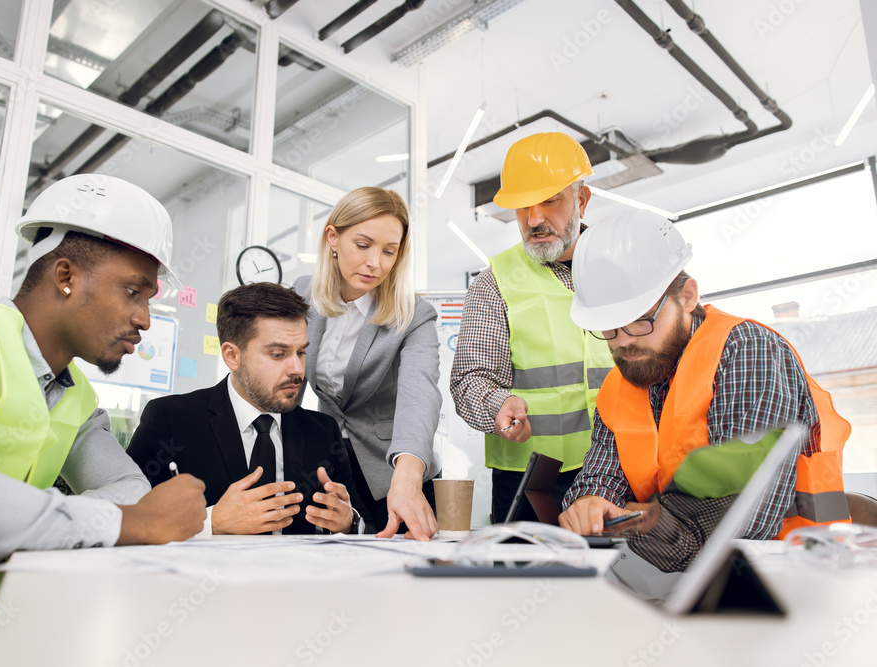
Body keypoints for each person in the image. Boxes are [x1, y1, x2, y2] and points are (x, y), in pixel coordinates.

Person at [0, 174, 207, 665]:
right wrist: (121, 522)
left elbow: (130, 491)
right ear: (66, 276)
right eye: (133, 292)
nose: (144, 319)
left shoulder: (74, 397)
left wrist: (6, 513)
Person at [558, 210, 851, 572]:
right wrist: (591, 504)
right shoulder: (620, 382)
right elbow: (602, 475)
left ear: (688, 296)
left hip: (790, 571)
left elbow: (746, 508)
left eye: (640, 320)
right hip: (676, 574)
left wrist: (636, 522)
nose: (624, 343)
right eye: (608, 330)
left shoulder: (750, 351)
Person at [450, 132, 614, 524]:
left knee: (624, 581)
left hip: (621, 470)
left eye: (551, 200)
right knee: (523, 584)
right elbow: (469, 380)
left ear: (582, 199)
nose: (534, 219)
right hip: (531, 484)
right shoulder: (494, 283)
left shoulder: (622, 265)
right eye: (523, 206)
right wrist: (497, 406)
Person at [128, 283, 371, 535]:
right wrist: (211, 523)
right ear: (232, 356)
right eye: (278, 354)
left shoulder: (323, 431)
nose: (298, 369)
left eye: (301, 352)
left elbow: (365, 522)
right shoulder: (171, 420)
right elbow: (128, 519)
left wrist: (348, 522)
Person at [293, 187, 442, 540]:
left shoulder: (414, 315)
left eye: (389, 251)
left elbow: (419, 394)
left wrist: (406, 477)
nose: (376, 262)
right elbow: (289, 379)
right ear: (333, 237)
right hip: (326, 466)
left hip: (392, 470)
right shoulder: (302, 293)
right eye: (363, 245)